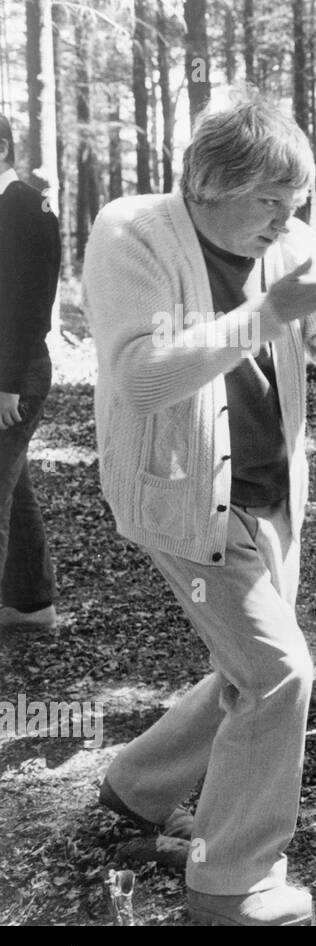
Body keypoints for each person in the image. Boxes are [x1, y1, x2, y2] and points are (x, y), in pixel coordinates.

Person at [84, 99, 316, 926]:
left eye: (297, 199)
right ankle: (230, 882)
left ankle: (134, 790)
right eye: (269, 200)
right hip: (179, 496)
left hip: (273, 496)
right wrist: (264, 315)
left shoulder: (293, 246)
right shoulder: (131, 233)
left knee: (249, 666)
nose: (286, 219)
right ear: (212, 183)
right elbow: (138, 378)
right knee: (279, 673)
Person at [0, 114, 61, 632]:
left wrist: (9, 384)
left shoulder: (27, 206)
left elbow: (34, 303)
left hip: (17, 373)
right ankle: (32, 603)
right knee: (12, 486)